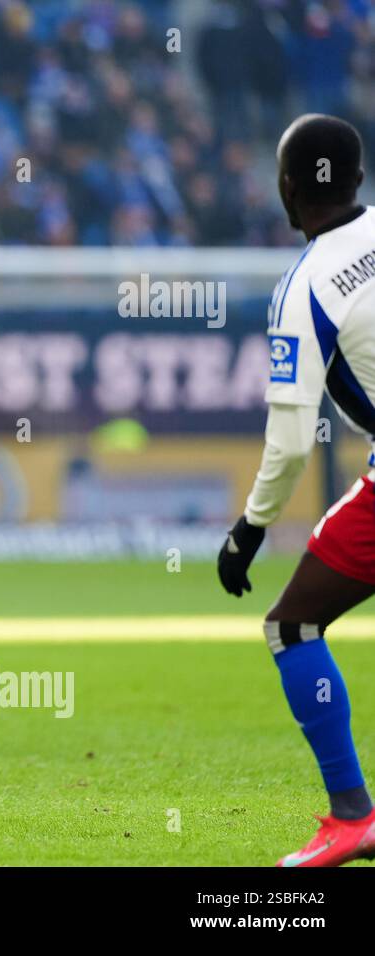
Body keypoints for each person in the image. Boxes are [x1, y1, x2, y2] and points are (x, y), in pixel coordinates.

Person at [218, 113, 375, 866]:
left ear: (286, 188)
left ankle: (353, 813)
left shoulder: (305, 288)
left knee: (292, 625)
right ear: (359, 176)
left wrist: (248, 530)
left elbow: (288, 446)